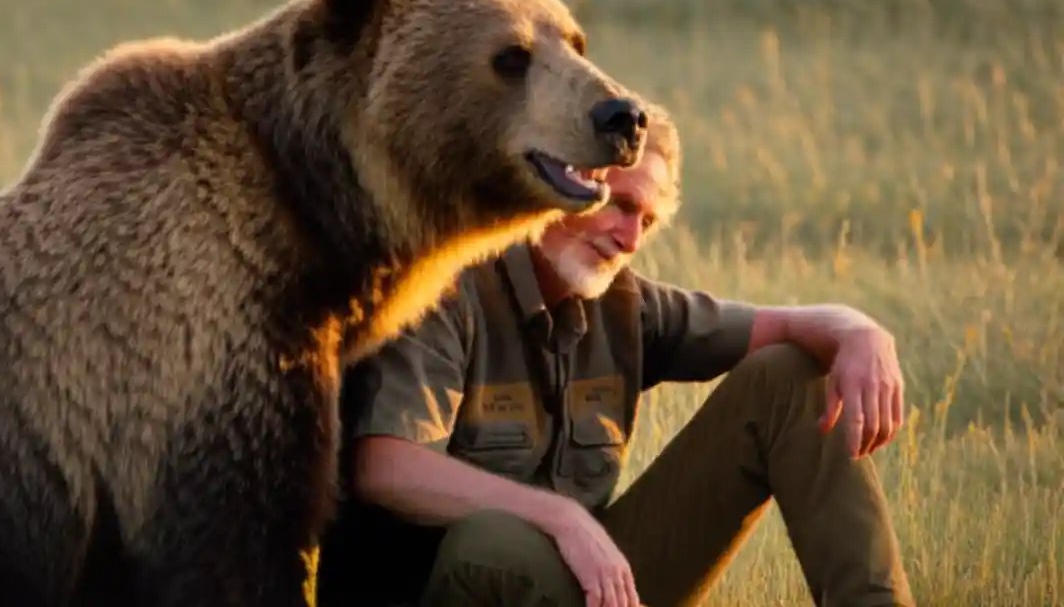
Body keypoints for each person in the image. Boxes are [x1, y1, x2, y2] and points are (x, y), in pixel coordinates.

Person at [315, 109, 914, 607]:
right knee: (492, 541)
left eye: (647, 222)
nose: (630, 238)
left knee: (789, 375)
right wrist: (561, 518)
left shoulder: (625, 302)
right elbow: (385, 467)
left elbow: (785, 326)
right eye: (619, 204)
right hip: (446, 588)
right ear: (563, 184)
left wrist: (861, 332)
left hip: (593, 591)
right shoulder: (448, 287)